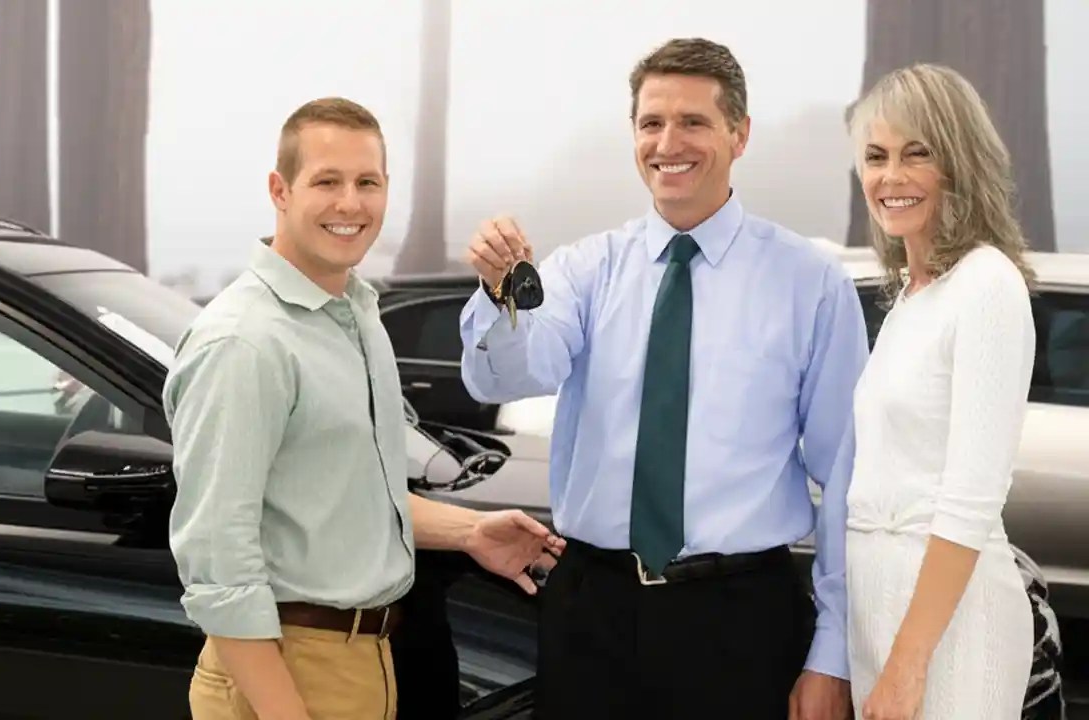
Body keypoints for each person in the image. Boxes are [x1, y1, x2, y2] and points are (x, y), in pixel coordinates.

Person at [458, 38, 869, 719]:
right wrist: (501, 296)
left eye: (693, 122)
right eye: (651, 123)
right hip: (595, 612)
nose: (667, 142)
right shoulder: (583, 271)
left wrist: (832, 652)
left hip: (741, 618)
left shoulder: (810, 283)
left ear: (739, 135)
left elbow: (848, 476)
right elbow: (507, 375)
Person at [164, 97, 565, 720]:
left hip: (364, 663)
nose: (350, 203)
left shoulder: (355, 313)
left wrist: (468, 534)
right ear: (280, 189)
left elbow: (345, 495)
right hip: (284, 674)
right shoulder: (244, 342)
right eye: (327, 181)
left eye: (367, 183)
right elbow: (218, 567)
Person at [843, 63, 1036, 720]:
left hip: (945, 628)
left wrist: (907, 663)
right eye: (876, 157)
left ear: (958, 163)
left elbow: (972, 496)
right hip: (881, 612)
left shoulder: (987, 284)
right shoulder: (910, 298)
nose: (889, 177)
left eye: (915, 154)